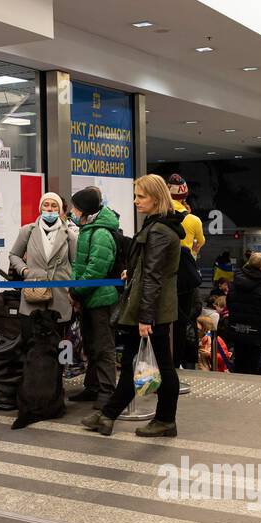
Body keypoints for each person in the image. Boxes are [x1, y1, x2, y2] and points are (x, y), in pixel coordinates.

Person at [83, 174, 184, 438]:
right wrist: (134, 272)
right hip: (151, 307)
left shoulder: (160, 230)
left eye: (142, 196)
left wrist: (146, 317)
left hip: (151, 310)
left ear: (157, 198)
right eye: (136, 195)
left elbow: (153, 277)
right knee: (134, 363)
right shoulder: (158, 225)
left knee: (159, 365)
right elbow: (150, 270)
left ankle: (164, 420)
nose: (136, 201)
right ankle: (108, 415)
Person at [67, 186, 120, 407]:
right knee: (91, 346)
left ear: (85, 210)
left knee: (103, 347)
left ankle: (107, 393)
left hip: (101, 299)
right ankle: (93, 387)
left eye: (75, 208)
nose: (72, 211)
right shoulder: (90, 228)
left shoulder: (100, 233)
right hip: (90, 298)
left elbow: (95, 270)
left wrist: (76, 290)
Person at [9, 192, 78, 327]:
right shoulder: (27, 231)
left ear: (59, 210)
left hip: (60, 297)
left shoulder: (70, 235)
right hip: (33, 295)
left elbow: (75, 264)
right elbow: (14, 255)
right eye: (46, 205)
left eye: (54, 206)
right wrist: (24, 271)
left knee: (58, 342)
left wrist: (72, 290)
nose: (50, 209)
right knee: (32, 343)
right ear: (40, 208)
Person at [166, 174, 204, 370]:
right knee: (182, 320)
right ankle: (177, 362)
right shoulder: (193, 220)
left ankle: (165, 362)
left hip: (164, 273)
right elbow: (200, 242)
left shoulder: (160, 215)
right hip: (185, 275)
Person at [226, 252, 261, 375]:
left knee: (238, 362)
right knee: (252, 365)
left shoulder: (236, 282)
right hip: (256, 332)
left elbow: (229, 302)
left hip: (236, 328)